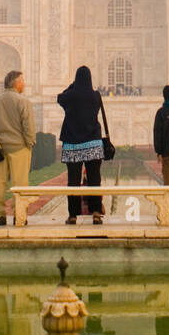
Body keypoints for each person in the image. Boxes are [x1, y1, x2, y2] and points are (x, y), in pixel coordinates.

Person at [0, 70, 36, 226]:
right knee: (20, 184)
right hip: (19, 148)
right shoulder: (22, 101)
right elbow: (29, 126)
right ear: (16, 83)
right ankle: (19, 215)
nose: (24, 83)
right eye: (22, 81)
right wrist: (30, 142)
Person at [56, 65, 105, 225]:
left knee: (73, 181)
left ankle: (73, 215)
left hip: (73, 144)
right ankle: (96, 212)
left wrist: (72, 86)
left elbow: (60, 98)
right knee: (94, 179)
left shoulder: (70, 96)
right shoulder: (95, 96)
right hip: (93, 142)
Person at [153, 84, 169, 200]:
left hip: (168, 153)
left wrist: (159, 152)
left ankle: (168, 210)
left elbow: (157, 133)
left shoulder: (161, 112)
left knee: (168, 184)